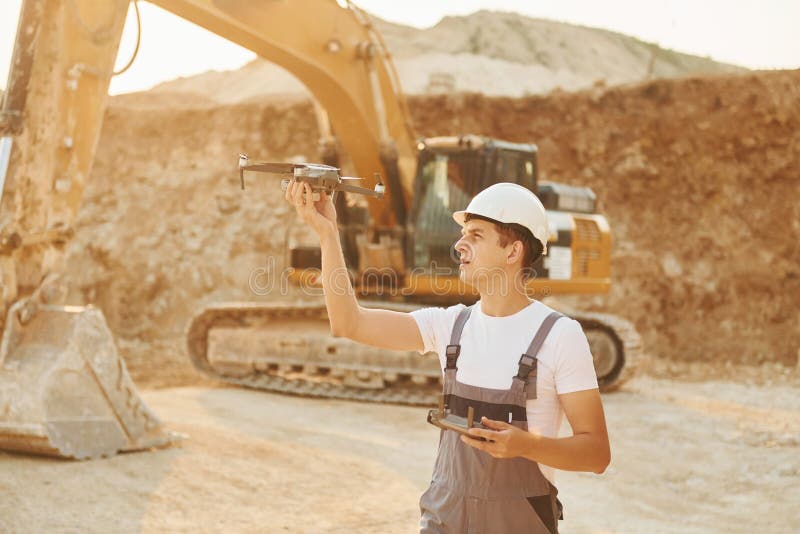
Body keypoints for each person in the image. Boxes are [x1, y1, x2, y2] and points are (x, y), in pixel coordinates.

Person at [284, 179, 610, 533]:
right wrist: (328, 234)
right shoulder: (449, 326)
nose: (459, 244)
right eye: (463, 234)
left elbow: (596, 454)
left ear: (513, 251)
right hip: (445, 517)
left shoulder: (560, 336)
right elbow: (349, 323)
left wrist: (526, 445)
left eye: (476, 235)